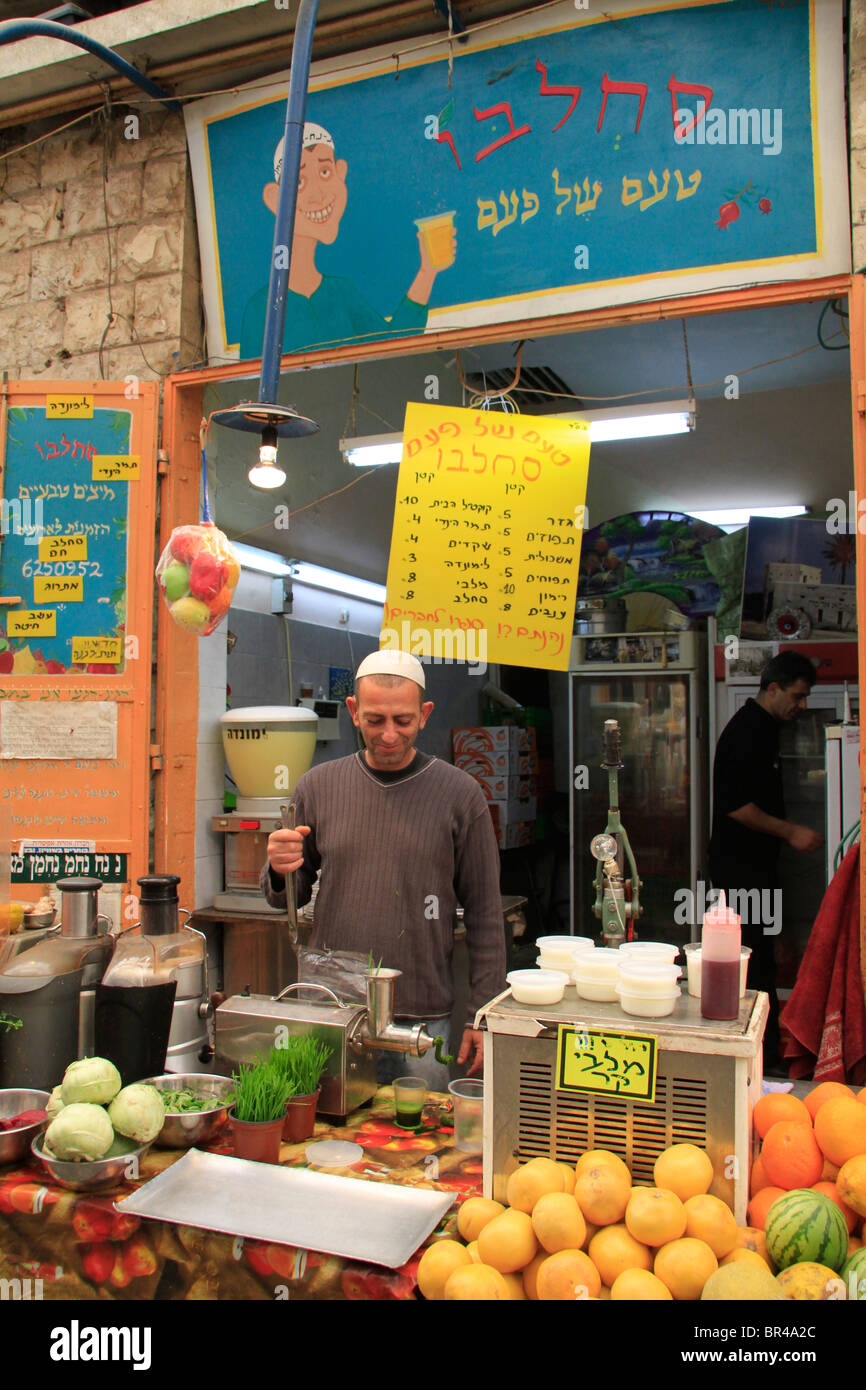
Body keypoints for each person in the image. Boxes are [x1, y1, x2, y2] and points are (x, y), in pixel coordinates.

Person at [261, 649, 505, 1089]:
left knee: (414, 1142)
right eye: (375, 721)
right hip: (332, 1009)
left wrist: (483, 1013)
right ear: (354, 712)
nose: (389, 734)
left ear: (425, 714)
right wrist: (280, 867)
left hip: (421, 1016)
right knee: (323, 1142)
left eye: (403, 721)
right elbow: (291, 896)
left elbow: (487, 913)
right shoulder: (319, 786)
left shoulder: (460, 795)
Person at [240, 123, 456, 357]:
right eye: (299, 182)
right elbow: (247, 388)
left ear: (340, 173)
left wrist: (427, 271)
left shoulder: (342, 293)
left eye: (325, 172)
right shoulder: (261, 310)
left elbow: (391, 347)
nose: (318, 194)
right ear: (275, 199)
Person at [708, 650, 824, 1071]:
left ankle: (768, 1053)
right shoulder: (746, 732)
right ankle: (760, 1060)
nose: (802, 705)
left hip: (760, 869)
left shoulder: (769, 728)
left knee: (766, 957)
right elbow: (737, 807)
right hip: (741, 873)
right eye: (797, 695)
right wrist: (792, 832)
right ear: (772, 689)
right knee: (751, 964)